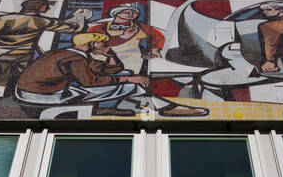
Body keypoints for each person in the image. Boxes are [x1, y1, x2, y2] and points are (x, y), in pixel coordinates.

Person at [15, 31, 204, 117]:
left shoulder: (70, 53)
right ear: (90, 43)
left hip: (37, 90)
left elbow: (111, 70)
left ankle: (124, 105)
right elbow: (92, 82)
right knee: (132, 84)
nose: (105, 45)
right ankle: (166, 108)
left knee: (126, 75)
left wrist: (111, 55)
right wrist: (129, 78)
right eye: (101, 43)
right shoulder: (76, 59)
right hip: (45, 95)